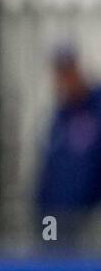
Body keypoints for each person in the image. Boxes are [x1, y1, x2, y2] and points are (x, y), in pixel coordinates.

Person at [35, 45, 101, 249]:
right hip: (55, 217)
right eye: (60, 72)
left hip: (86, 219)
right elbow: (49, 168)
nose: (64, 79)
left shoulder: (95, 109)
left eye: (68, 71)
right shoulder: (59, 117)